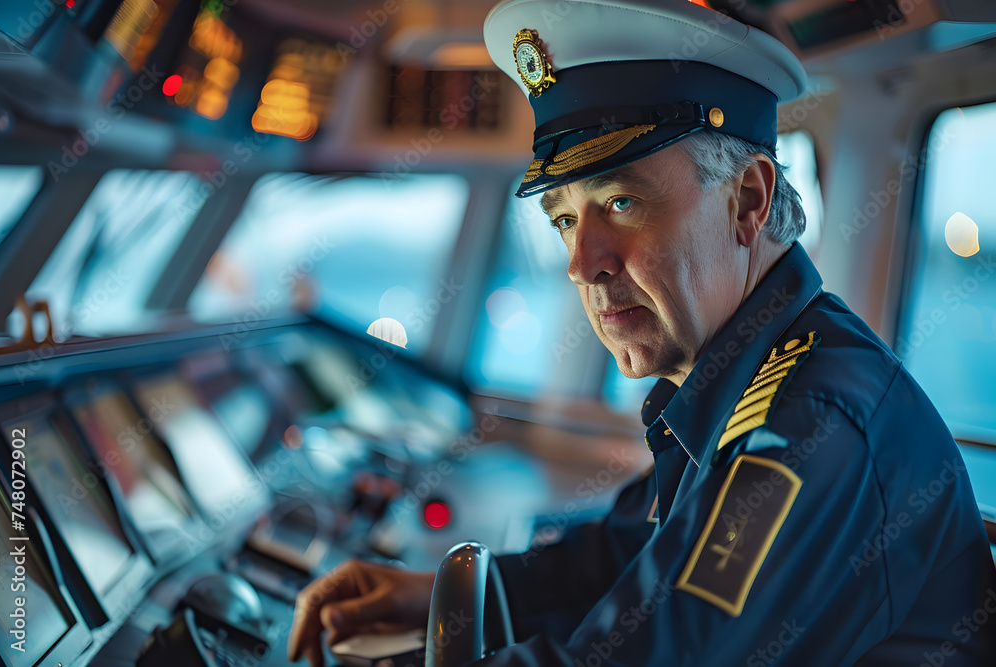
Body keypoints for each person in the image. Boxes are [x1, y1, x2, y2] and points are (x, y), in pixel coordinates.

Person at [288, 0, 996, 664]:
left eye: (621, 201)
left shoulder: (811, 423)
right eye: (565, 219)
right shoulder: (731, 382)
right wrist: (441, 592)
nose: (580, 265)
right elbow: (625, 553)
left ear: (748, 200)